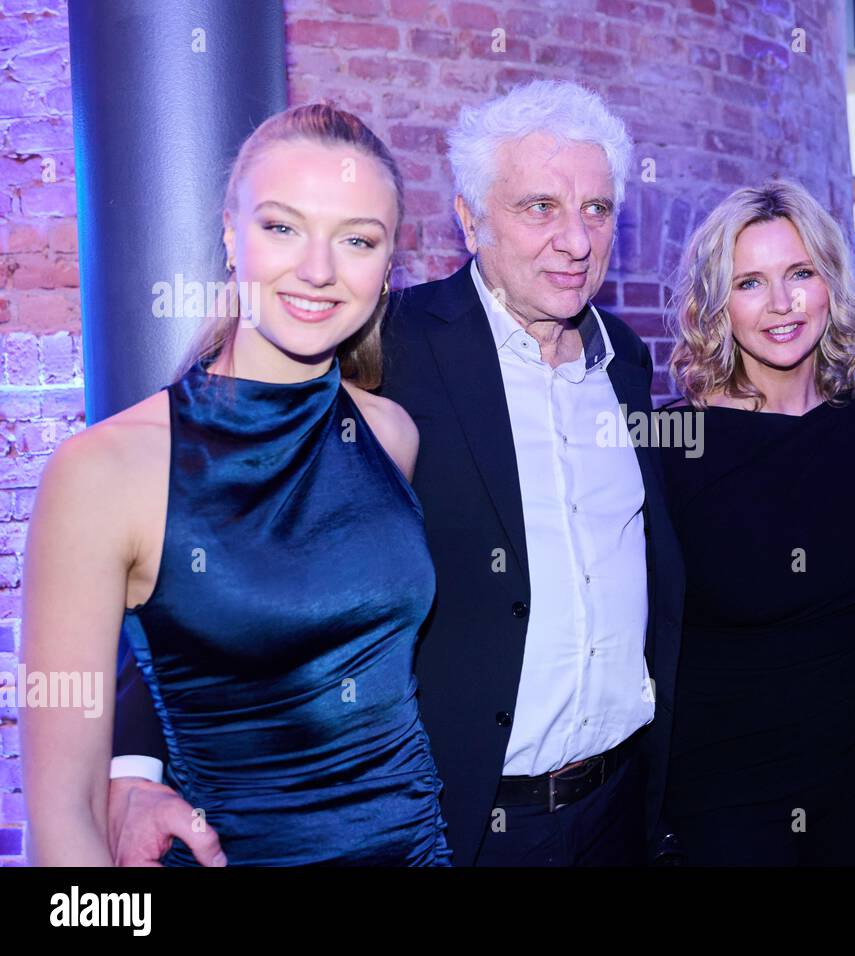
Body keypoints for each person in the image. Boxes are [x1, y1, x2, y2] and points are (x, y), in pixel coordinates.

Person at [110, 80, 685, 866]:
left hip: (616, 809)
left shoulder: (626, 361)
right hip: (462, 817)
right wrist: (135, 769)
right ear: (469, 218)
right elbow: (207, 538)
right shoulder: (390, 348)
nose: (577, 241)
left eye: (597, 209)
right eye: (539, 207)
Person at [23, 103, 452, 865]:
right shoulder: (106, 470)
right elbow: (63, 829)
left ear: (388, 267)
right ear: (230, 232)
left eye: (357, 240)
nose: (318, 270)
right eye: (282, 227)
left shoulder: (391, 435)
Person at [657, 180, 855, 865]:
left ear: (832, 284)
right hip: (725, 799)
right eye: (749, 283)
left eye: (801, 273)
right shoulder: (671, 448)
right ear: (717, 306)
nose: (781, 304)